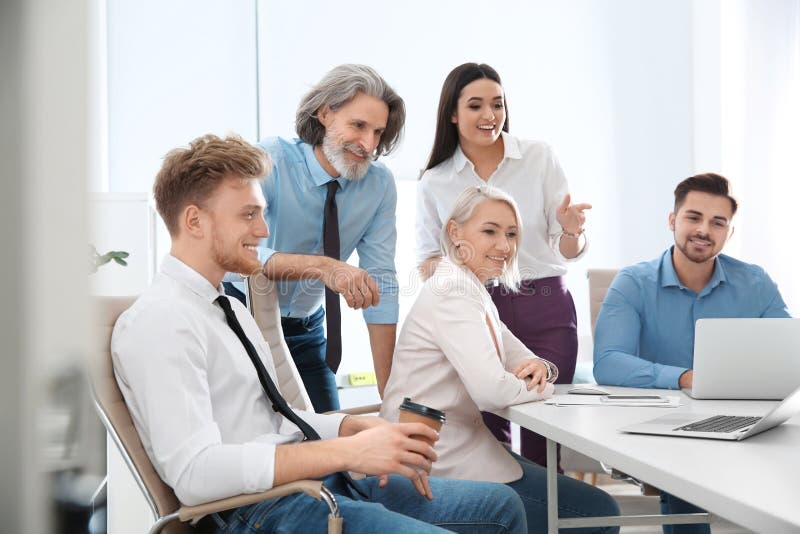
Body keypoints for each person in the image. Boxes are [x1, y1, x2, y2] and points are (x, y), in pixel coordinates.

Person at [112, 134, 528, 533]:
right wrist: (347, 451)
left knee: (502, 507)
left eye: (261, 212)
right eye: (248, 214)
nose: (262, 230)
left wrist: (356, 430)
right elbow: (194, 475)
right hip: (257, 510)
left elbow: (276, 423)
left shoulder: (227, 307)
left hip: (314, 480)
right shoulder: (162, 321)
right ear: (194, 221)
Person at [382, 185, 620, 534]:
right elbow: (492, 391)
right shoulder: (452, 291)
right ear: (455, 232)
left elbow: (518, 354)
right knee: (598, 512)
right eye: (489, 231)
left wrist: (541, 368)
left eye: (511, 234)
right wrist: (543, 388)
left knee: (586, 503)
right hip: (433, 463)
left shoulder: (470, 287)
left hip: (461, 448)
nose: (504, 246)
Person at [593, 172, 790, 534]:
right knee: (690, 468)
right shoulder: (633, 283)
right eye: (693, 217)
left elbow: (788, 353)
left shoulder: (755, 282)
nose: (704, 230)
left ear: (729, 233)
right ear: (673, 220)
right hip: (666, 429)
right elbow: (608, 363)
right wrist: (683, 378)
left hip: (744, 418)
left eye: (718, 223)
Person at [416, 62, 591, 467]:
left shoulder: (538, 157)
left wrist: (570, 230)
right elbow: (428, 258)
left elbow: (568, 248)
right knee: (489, 431)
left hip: (545, 304)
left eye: (497, 104)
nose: (490, 115)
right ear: (453, 114)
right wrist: (452, 290)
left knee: (544, 432)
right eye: (475, 105)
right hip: (477, 309)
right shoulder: (435, 180)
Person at [234, 64, 403, 413]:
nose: (368, 144)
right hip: (242, 323)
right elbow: (235, 254)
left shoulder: (379, 185)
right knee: (263, 449)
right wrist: (322, 267)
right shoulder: (272, 161)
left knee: (333, 446)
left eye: (378, 132)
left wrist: (391, 397)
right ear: (325, 113)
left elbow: (382, 281)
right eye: (358, 126)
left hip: (307, 332)